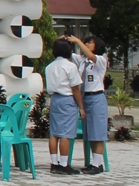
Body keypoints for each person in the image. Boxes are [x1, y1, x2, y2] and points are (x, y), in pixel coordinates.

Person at [68, 35, 108, 175]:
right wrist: (65, 41)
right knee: (90, 132)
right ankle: (93, 163)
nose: (86, 44)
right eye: (85, 42)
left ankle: (97, 164)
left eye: (89, 42)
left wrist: (78, 41)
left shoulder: (101, 60)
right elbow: (69, 55)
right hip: (85, 98)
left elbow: (91, 55)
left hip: (96, 97)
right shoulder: (83, 61)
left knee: (98, 132)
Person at [46, 39, 85, 175]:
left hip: (54, 98)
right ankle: (64, 164)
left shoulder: (49, 66)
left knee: (54, 133)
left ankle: (54, 162)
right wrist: (81, 107)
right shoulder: (70, 66)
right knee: (65, 133)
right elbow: (75, 88)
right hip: (67, 99)